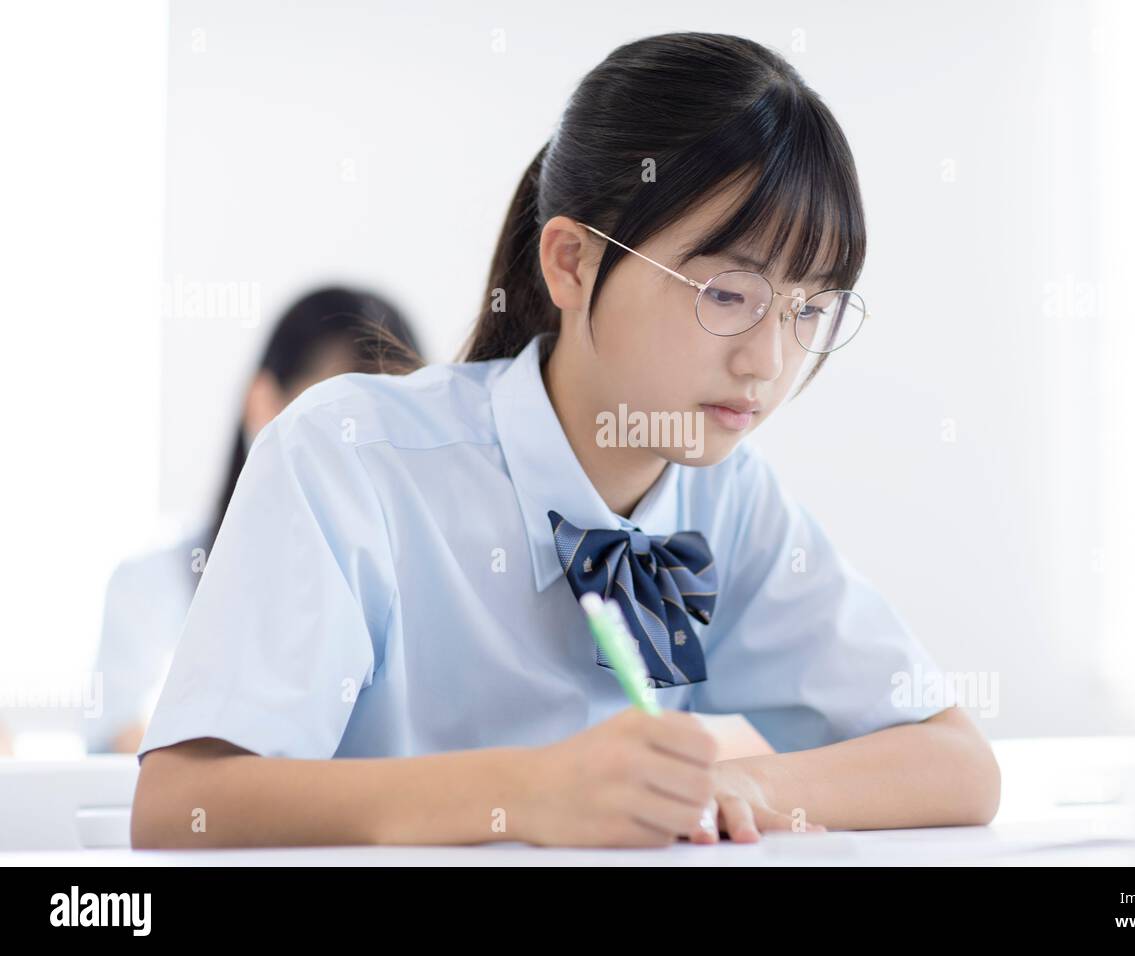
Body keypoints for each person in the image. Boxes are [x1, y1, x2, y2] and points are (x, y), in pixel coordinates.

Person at [132, 32, 1000, 849]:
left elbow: (959, 766)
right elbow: (184, 803)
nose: (768, 361)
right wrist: (530, 794)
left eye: (809, 309)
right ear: (572, 263)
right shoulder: (351, 455)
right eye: (727, 294)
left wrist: (744, 790)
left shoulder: (730, 500)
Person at [84, 287, 422, 754]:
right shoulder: (151, 586)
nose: (369, 462)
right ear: (264, 404)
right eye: (342, 425)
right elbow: (133, 757)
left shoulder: (426, 594)